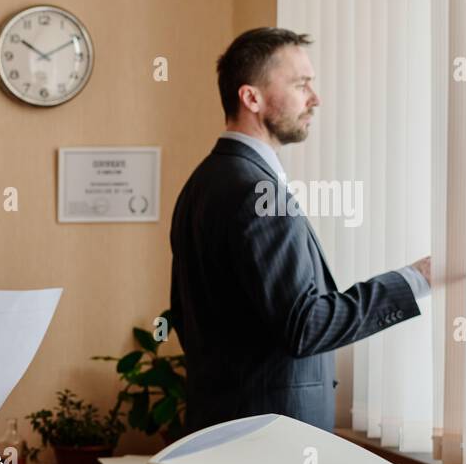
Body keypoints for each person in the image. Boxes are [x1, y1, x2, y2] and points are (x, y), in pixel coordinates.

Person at [170, 27, 432, 433]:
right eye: (300, 84)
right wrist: (417, 279)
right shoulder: (257, 189)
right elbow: (306, 325)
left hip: (225, 428)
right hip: (271, 437)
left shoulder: (203, 181)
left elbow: (188, 320)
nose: (315, 98)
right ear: (251, 97)